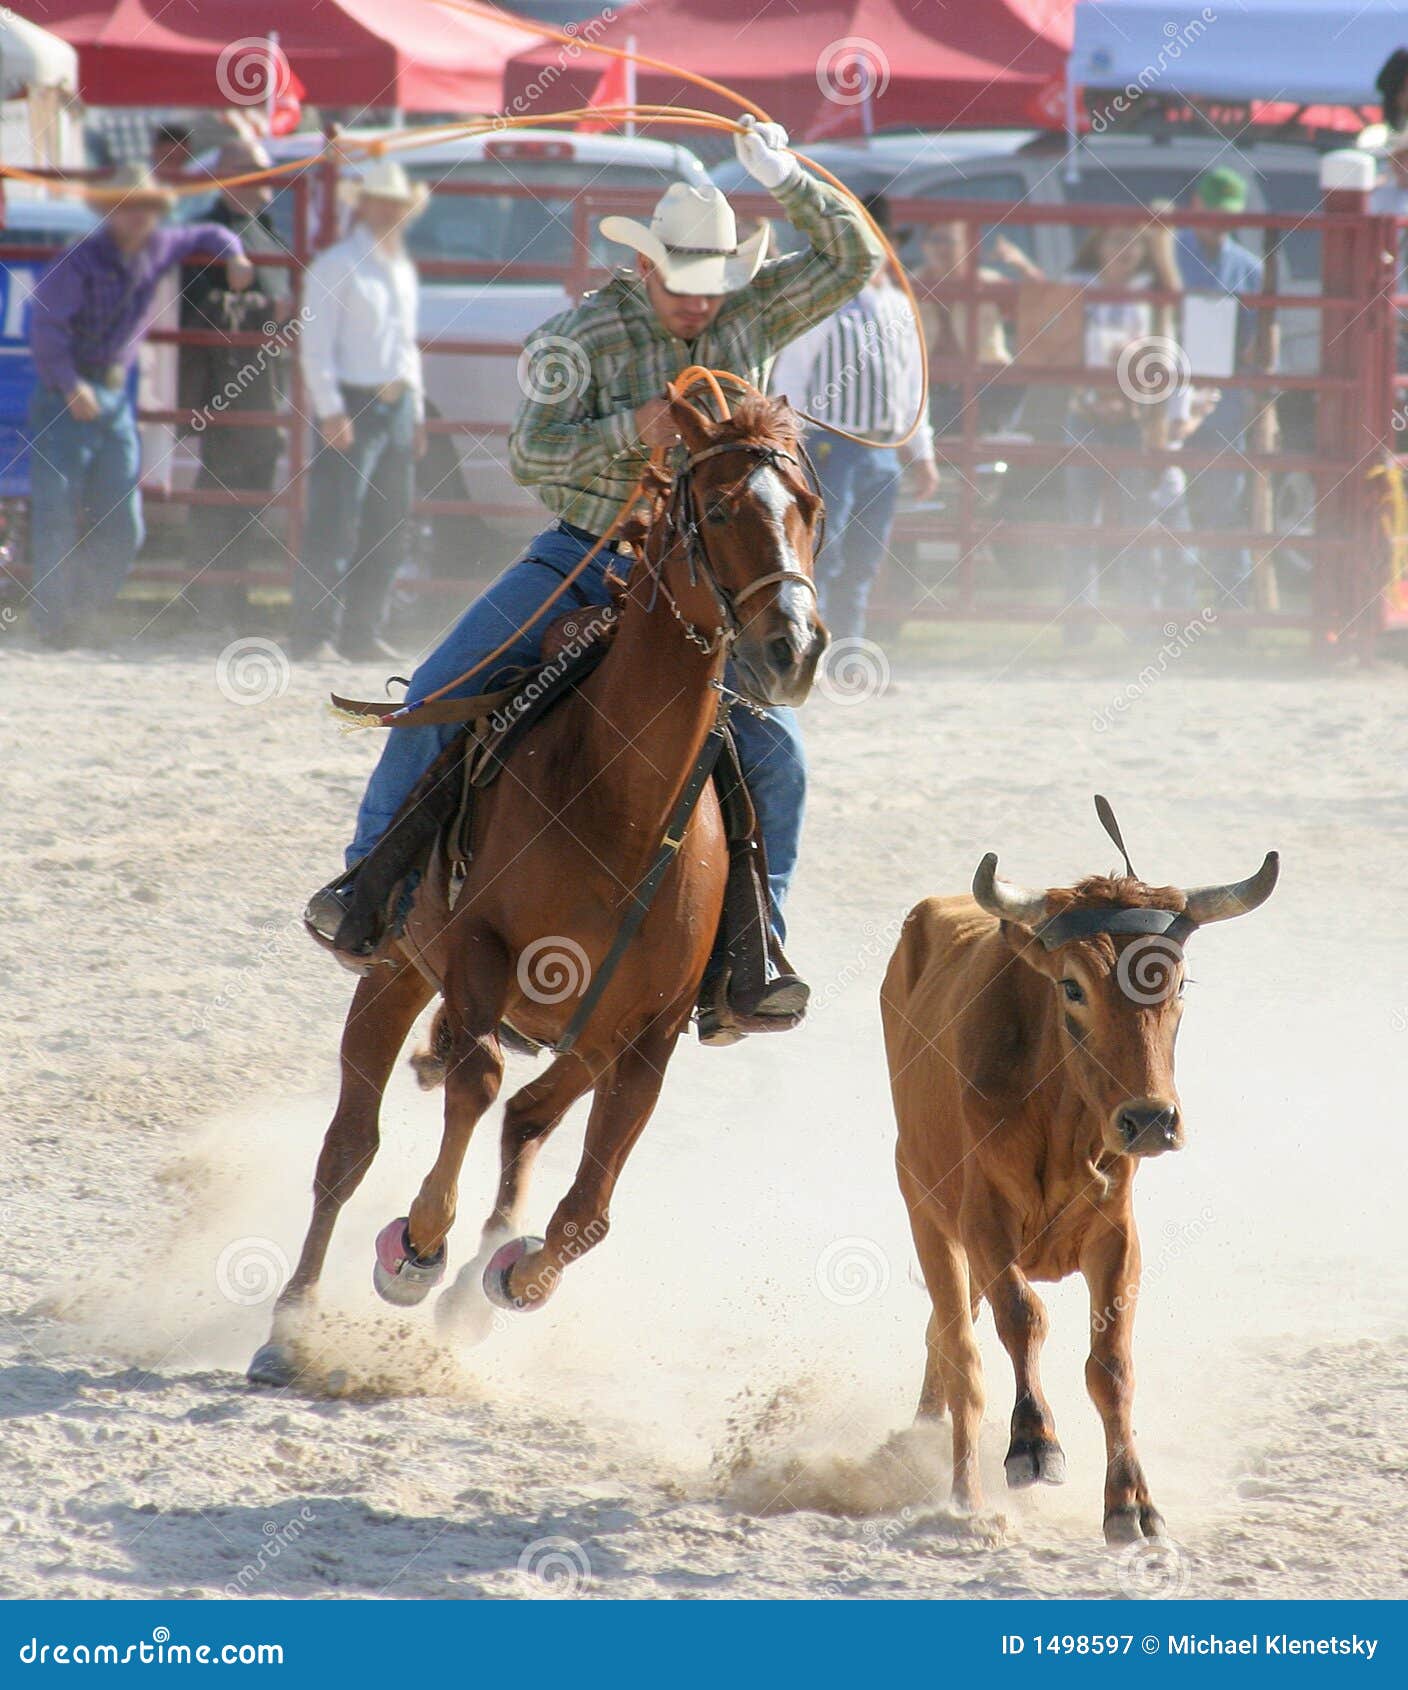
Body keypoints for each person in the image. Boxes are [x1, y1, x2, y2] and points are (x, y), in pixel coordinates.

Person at [306, 117, 882, 1041]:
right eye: (682, 289)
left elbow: (854, 260)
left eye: (709, 290)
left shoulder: (753, 313)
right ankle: (368, 883)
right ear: (646, 269)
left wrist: (789, 174)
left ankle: (754, 952)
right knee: (438, 690)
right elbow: (531, 455)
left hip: (703, 586)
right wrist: (632, 431)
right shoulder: (585, 334)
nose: (697, 308)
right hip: (587, 555)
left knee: (778, 758)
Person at [26, 163, 253, 648]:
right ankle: (53, 626)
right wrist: (69, 385)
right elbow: (46, 330)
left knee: (123, 523)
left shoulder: (158, 246)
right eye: (128, 207)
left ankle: (80, 615)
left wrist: (234, 253)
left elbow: (210, 232)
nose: (138, 217)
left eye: (146, 207)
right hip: (68, 397)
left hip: (109, 397)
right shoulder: (79, 261)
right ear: (111, 211)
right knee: (57, 516)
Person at [769, 194, 938, 643]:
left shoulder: (897, 306)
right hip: (830, 445)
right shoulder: (828, 302)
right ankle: (812, 645)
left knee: (864, 558)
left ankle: (847, 647)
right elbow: (793, 377)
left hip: (881, 448)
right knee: (828, 550)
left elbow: (912, 383)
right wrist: (790, 443)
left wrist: (921, 452)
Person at [293, 159, 428, 661]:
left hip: (393, 406)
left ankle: (360, 632)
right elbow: (315, 346)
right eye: (382, 201)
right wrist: (330, 408)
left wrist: (413, 411)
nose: (389, 210)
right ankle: (312, 635)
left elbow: (406, 345)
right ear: (365, 205)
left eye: (396, 203)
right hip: (351, 404)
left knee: (388, 524)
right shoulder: (336, 265)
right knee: (333, 522)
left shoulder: (399, 268)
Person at [181, 138, 292, 629]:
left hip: (268, 386)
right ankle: (208, 604)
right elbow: (198, 314)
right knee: (220, 496)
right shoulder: (207, 236)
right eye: (255, 170)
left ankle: (235, 598)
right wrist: (268, 311)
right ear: (229, 174)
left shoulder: (266, 231)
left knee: (252, 497)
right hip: (228, 388)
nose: (266, 179)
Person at [1062, 221, 1191, 631]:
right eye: (1118, 238)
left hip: (1133, 418)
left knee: (1138, 524)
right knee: (1081, 523)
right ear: (1099, 243)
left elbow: (1166, 353)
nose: (1127, 251)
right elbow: (1056, 342)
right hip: (1087, 413)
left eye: (1136, 245)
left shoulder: (1149, 294)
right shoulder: (1077, 287)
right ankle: (1079, 623)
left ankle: (1140, 622)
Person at [1174, 168, 1264, 608]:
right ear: (1195, 207)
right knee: (1169, 501)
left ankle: (1233, 612)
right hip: (1167, 391)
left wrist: (1262, 404)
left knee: (1225, 506)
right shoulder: (1166, 256)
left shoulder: (1248, 269)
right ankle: (1174, 605)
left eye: (1228, 214)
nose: (1220, 221)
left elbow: (1260, 344)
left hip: (1224, 398)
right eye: (1213, 211)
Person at [914, 220, 1026, 438]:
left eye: (951, 241)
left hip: (983, 387)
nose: (943, 248)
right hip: (928, 388)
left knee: (1010, 382)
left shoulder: (988, 283)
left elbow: (1042, 312)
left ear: (968, 245)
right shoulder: (909, 285)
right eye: (936, 240)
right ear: (923, 246)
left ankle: (941, 437)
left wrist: (1023, 267)